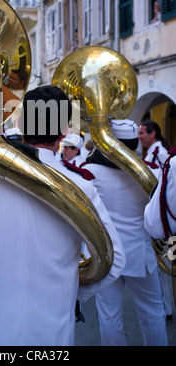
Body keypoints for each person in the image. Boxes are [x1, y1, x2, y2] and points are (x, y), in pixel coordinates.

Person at [0, 85, 125, 346]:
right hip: (52, 334)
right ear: (64, 131)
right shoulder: (82, 187)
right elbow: (113, 261)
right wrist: (70, 289)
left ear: (21, 123)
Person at [81, 119, 167, 346]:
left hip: (107, 255)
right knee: (152, 313)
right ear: (133, 144)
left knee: (109, 316)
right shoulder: (153, 172)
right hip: (140, 254)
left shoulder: (89, 172)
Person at [138, 119, 173, 319]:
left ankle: (168, 307)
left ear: (153, 134)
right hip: (156, 214)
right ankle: (166, 305)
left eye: (142, 133)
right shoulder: (153, 152)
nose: (139, 137)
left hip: (162, 217)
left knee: (165, 262)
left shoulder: (160, 154)